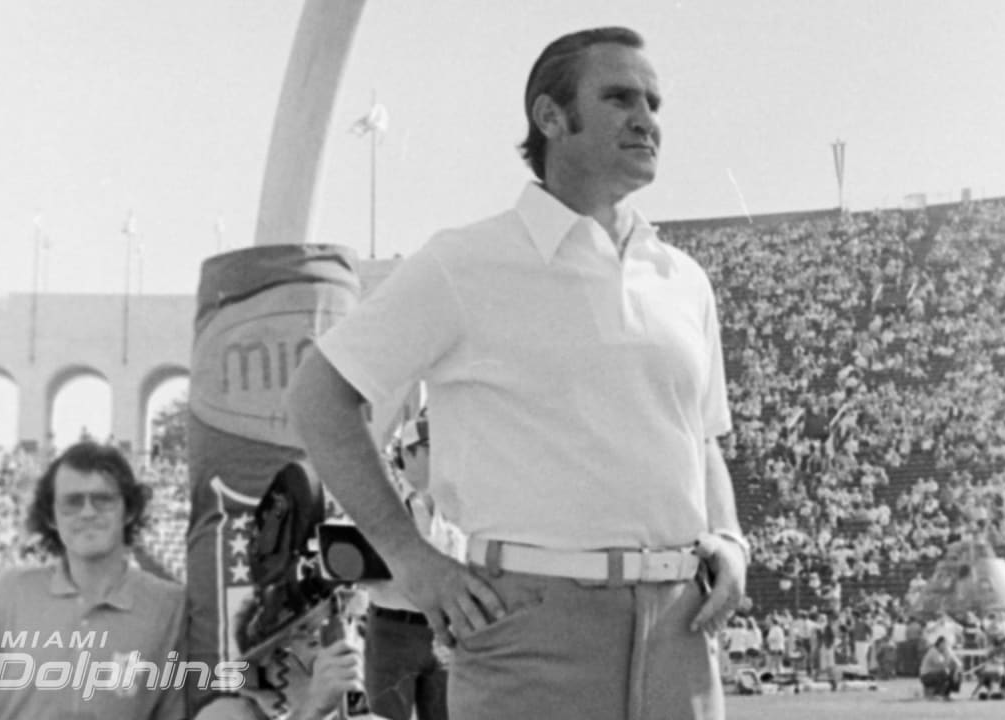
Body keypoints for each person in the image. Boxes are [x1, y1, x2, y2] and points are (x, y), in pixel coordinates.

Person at [287, 25, 747, 720]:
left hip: (681, 626)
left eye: (653, 102)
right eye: (621, 97)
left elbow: (701, 438)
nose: (647, 119)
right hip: (529, 623)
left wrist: (733, 538)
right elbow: (319, 395)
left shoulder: (683, 279)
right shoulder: (465, 263)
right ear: (550, 116)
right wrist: (410, 558)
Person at [0, 441, 185, 720]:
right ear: (51, 516)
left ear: (128, 511)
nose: (88, 512)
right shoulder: (10, 592)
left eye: (103, 500)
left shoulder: (169, 606)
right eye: (72, 502)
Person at [362, 412, 458, 720]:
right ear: (407, 453)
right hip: (393, 630)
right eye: (431, 449)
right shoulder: (383, 503)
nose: (440, 457)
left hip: (441, 632)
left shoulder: (451, 507)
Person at [194, 593, 376, 720]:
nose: (344, 642)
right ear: (269, 659)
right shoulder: (225, 714)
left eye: (350, 624)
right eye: (312, 631)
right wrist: (313, 712)